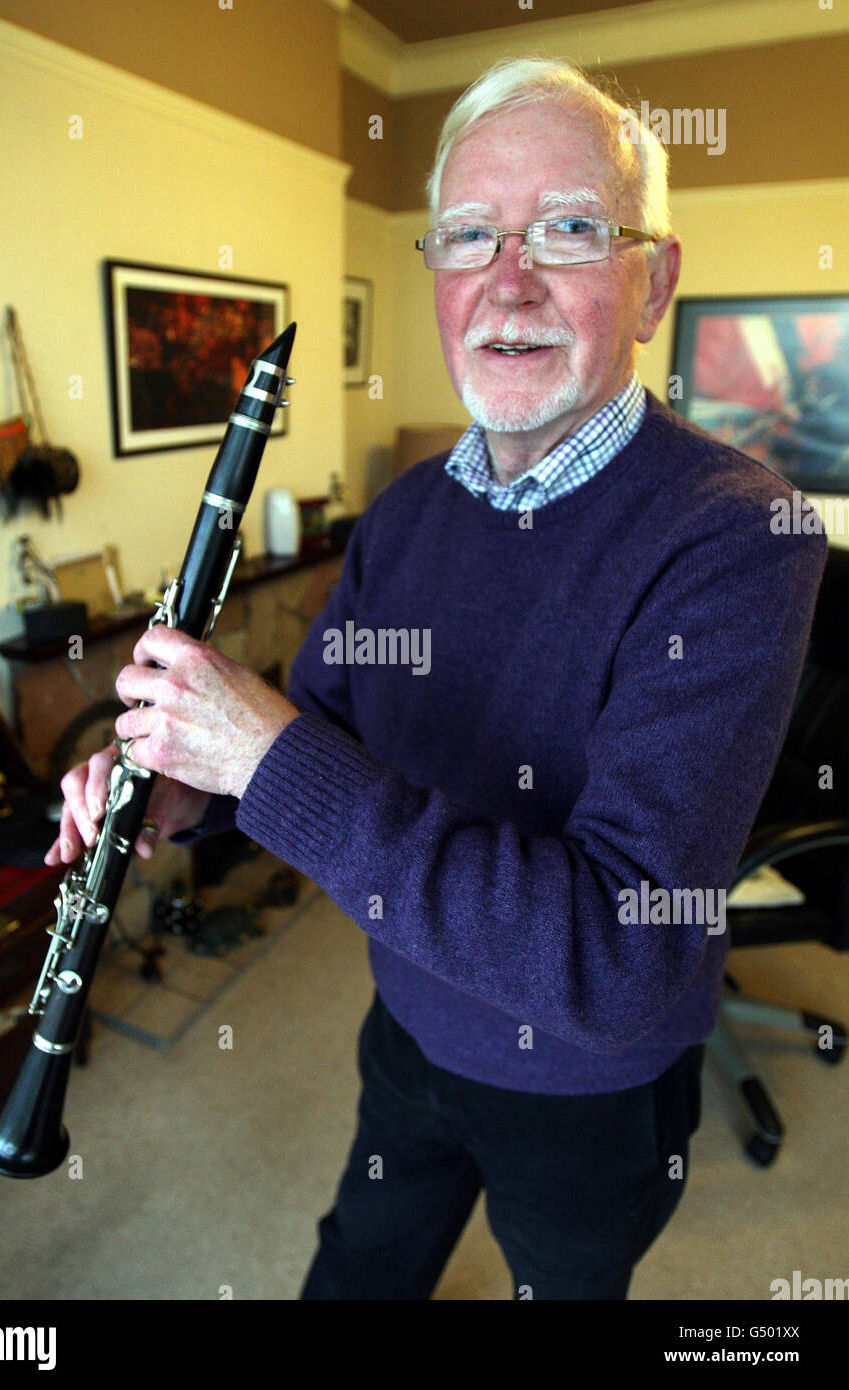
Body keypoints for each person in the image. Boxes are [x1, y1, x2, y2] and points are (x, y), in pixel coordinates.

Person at [46, 58, 827, 1299]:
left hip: (587, 1086)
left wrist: (264, 752)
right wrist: (196, 785)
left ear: (651, 281)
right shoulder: (407, 513)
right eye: (468, 234)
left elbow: (619, 957)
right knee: (358, 1262)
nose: (506, 279)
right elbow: (319, 746)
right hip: (407, 1019)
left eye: (567, 228)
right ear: (438, 277)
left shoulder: (738, 536)